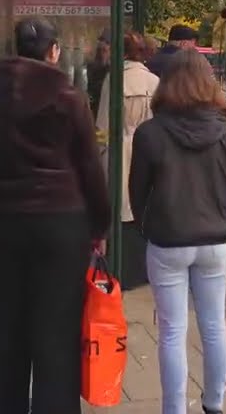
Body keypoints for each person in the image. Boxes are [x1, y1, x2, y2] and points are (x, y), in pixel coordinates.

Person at [0, 18, 111, 414]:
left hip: (3, 220)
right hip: (61, 222)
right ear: (53, 51)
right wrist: (99, 225)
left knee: (3, 318)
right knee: (57, 324)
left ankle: (2, 403)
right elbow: (89, 166)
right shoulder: (67, 96)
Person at [129, 48, 226, 414]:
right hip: (214, 240)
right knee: (214, 325)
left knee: (172, 331)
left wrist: (147, 226)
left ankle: (174, 409)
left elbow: (137, 191)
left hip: (168, 241)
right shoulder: (224, 133)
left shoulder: (149, 133)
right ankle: (214, 403)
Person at [95, 29, 159, 291]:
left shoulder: (113, 79)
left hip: (118, 148)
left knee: (119, 209)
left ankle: (120, 270)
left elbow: (103, 125)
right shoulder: (154, 81)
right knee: (139, 207)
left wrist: (99, 151)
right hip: (146, 148)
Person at [147, 24, 213, 79]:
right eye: (193, 45)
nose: (194, 48)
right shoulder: (186, 64)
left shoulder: (152, 59)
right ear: (184, 43)